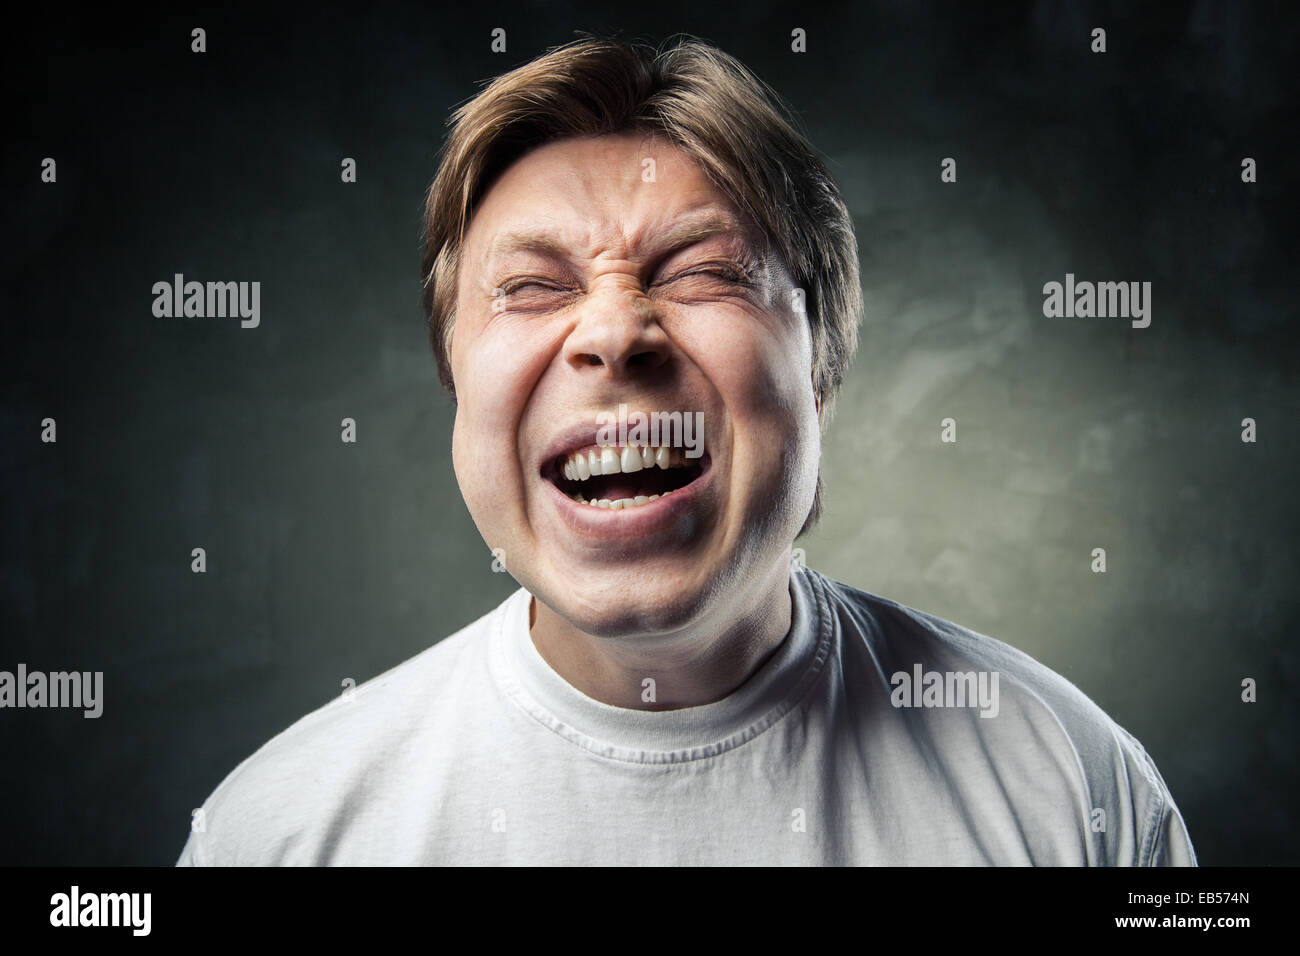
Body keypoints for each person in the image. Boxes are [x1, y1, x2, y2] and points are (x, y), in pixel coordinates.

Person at [176, 35, 1196, 866]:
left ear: (820, 373)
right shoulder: (277, 835)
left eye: (703, 272)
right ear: (458, 391)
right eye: (531, 286)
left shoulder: (1075, 789)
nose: (614, 331)